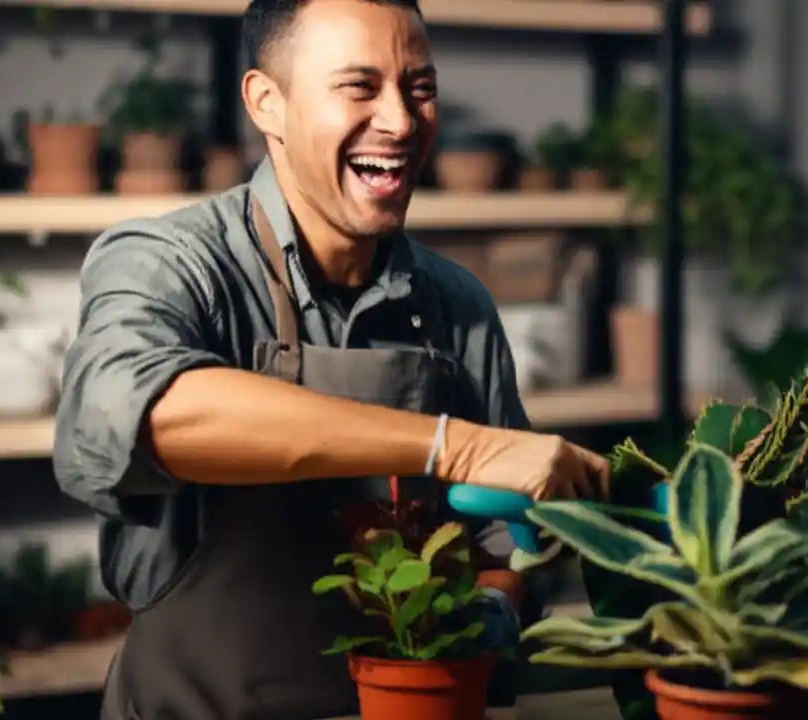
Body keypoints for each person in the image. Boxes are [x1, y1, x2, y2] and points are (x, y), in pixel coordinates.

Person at [51, 0, 611, 717]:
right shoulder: (170, 261)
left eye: (420, 88)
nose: (401, 121)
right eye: (359, 87)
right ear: (267, 103)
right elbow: (138, 417)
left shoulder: (455, 304)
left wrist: (496, 603)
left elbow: (500, 542)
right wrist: (455, 446)